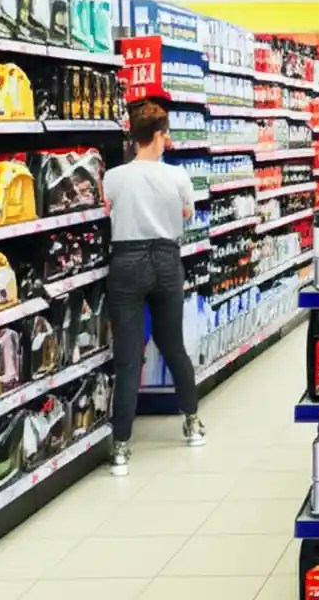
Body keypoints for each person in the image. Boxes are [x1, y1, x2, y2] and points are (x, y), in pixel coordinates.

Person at [102, 99, 206, 476]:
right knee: (173, 346)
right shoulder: (177, 177)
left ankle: (121, 447)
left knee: (129, 356)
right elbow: (186, 213)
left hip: (126, 262)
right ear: (160, 136)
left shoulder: (113, 177)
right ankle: (192, 422)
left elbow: (108, 210)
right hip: (166, 260)